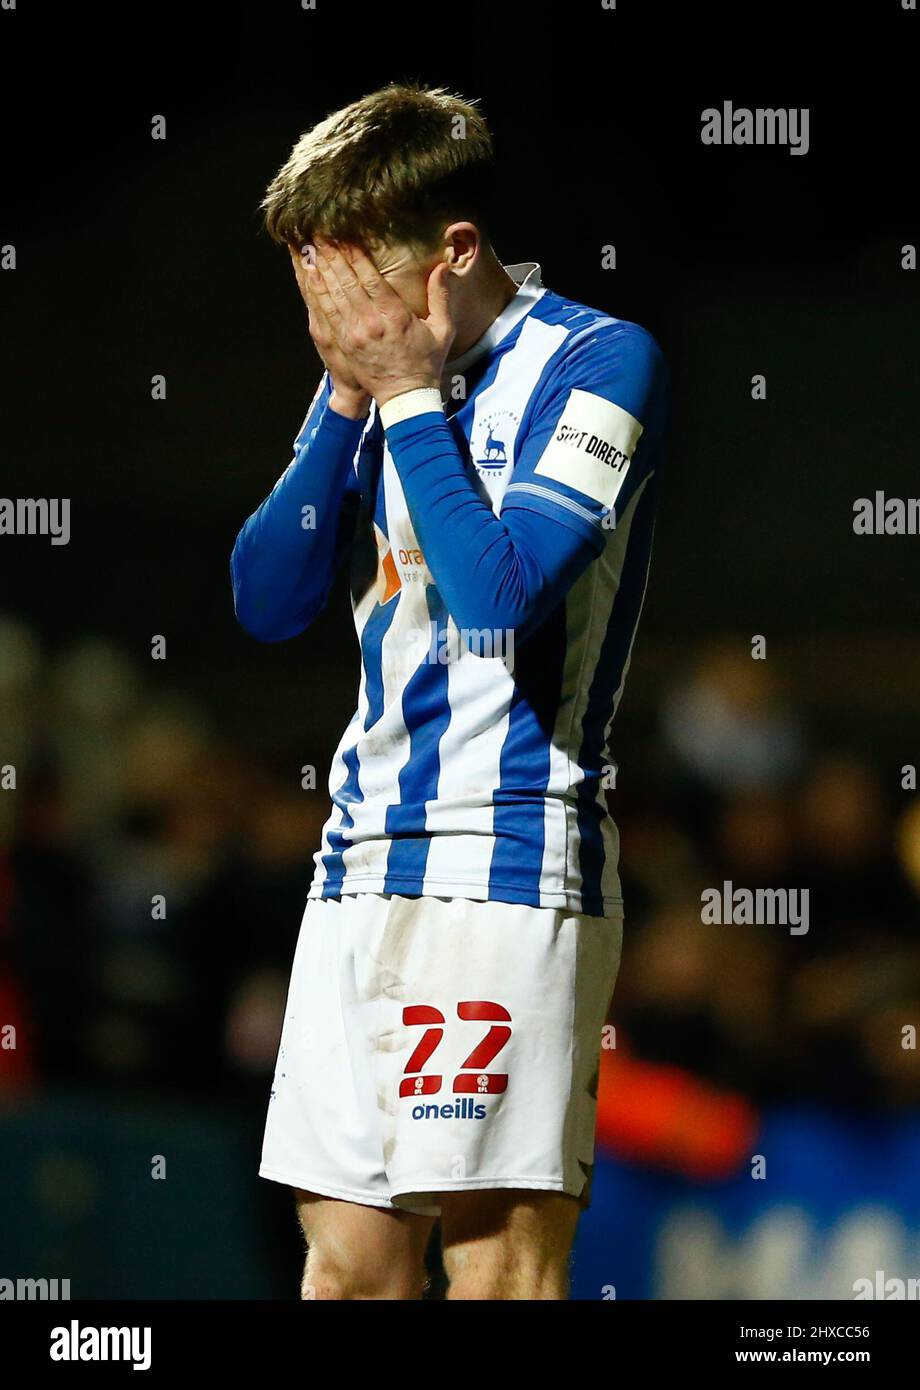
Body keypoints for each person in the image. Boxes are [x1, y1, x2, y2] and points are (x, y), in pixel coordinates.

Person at [231, 83, 668, 1300]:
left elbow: (500, 594)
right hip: (358, 857)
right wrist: (341, 404)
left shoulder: (595, 358)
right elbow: (264, 603)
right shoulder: (369, 381)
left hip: (508, 857)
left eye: (345, 271)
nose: (326, 307)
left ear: (451, 253)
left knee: (493, 1267)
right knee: (351, 1266)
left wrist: (408, 397)